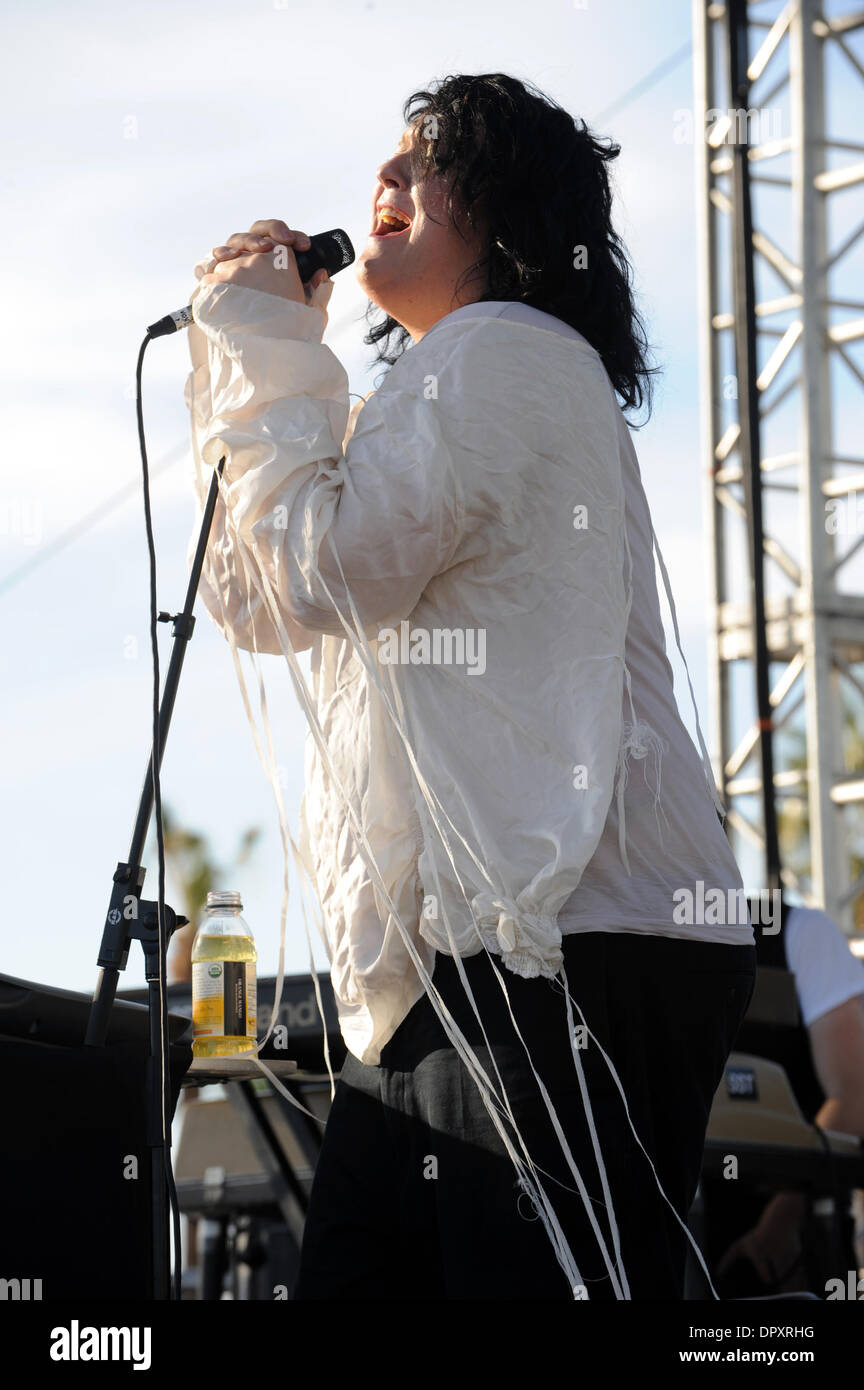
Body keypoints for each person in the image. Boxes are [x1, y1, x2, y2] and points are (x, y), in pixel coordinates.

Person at [183, 73, 756, 1301]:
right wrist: (255, 358)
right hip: (481, 952)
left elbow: (322, 567)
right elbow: (264, 593)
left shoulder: (508, 358)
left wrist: (266, 350)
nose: (384, 182)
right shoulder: (447, 383)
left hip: (562, 939)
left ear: (503, 212)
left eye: (424, 160)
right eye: (381, 160)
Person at [714, 903, 864, 1294]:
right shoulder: (619, 938)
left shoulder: (799, 932)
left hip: (797, 1250)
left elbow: (855, 1095)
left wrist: (776, 1227)